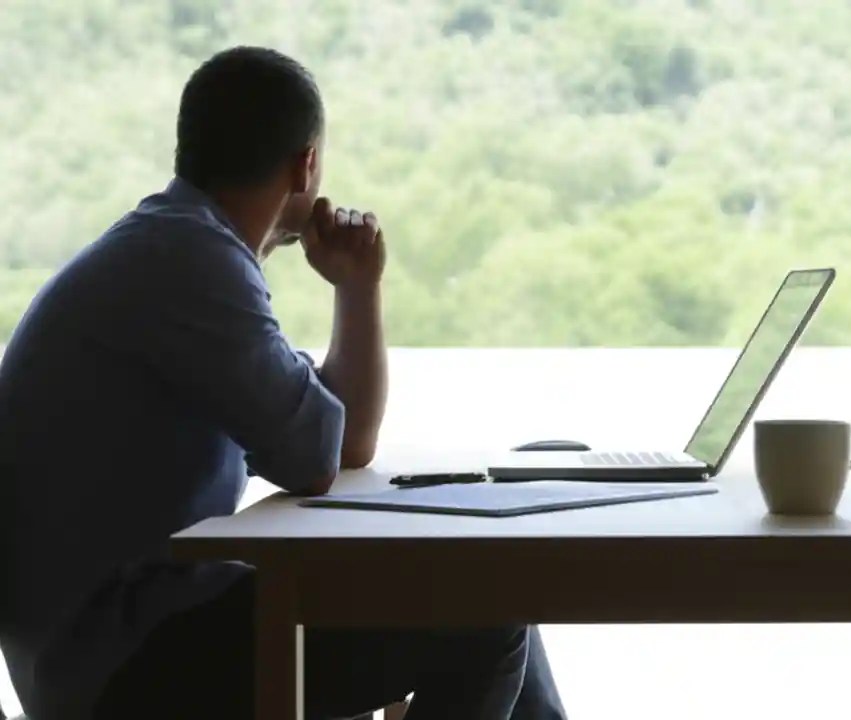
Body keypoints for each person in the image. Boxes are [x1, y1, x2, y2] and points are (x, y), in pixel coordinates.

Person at [0, 46, 566, 720]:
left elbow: (339, 442)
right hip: (123, 658)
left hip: (112, 640)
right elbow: (318, 460)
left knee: (490, 586)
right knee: (487, 613)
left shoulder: (178, 250)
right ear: (307, 163)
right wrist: (360, 284)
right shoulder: (189, 260)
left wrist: (357, 288)